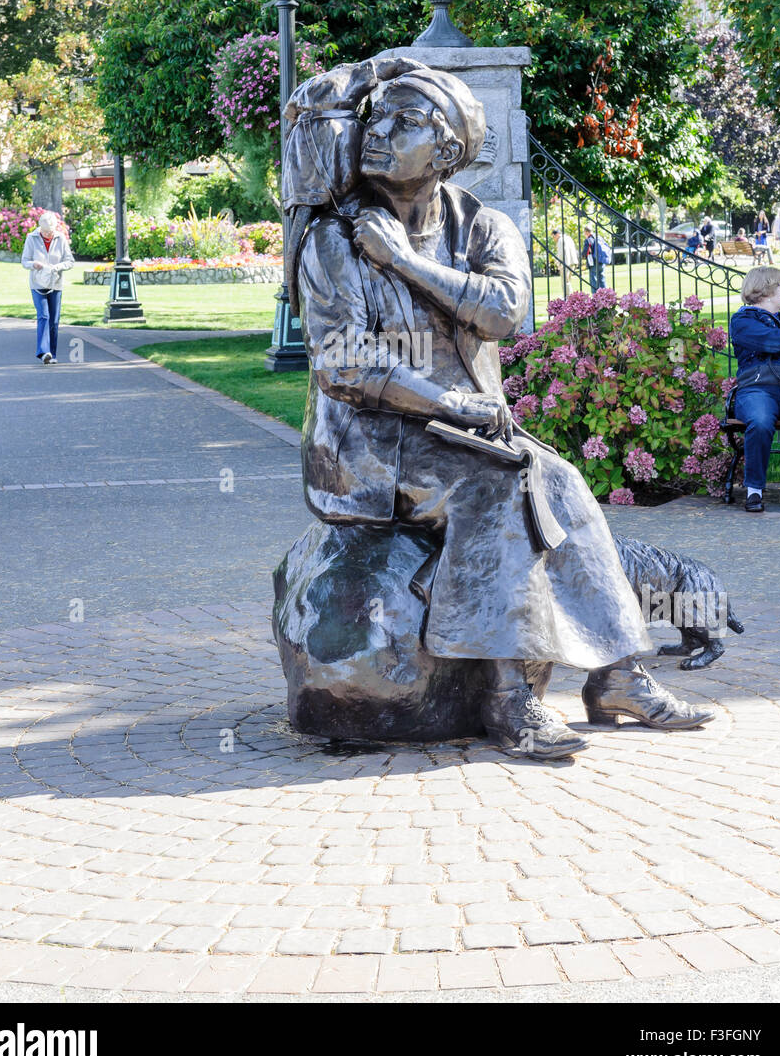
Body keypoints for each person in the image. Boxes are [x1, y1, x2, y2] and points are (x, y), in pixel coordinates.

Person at [288, 56, 712, 760]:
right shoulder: (334, 238)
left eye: (405, 121)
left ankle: (617, 674)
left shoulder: (481, 226)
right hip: (369, 442)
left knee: (564, 482)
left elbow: (503, 311)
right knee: (496, 487)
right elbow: (343, 361)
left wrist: (403, 262)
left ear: (447, 151)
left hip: (468, 428)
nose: (379, 132)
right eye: (376, 116)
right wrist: (443, 400)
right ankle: (509, 699)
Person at [729, 266, 780, 513]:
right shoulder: (742, 320)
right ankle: (754, 491)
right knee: (761, 420)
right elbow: (772, 341)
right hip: (756, 389)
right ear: (765, 290)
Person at [20, 210, 74, 363]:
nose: (48, 235)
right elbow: (24, 261)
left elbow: (70, 261)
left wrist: (57, 267)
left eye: (50, 232)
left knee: (54, 320)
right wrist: (33, 264)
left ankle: (52, 355)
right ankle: (44, 352)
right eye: (45, 232)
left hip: (55, 284)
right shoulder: (32, 238)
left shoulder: (61, 238)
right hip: (37, 284)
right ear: (40, 229)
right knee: (43, 316)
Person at [550, 226, 580, 296]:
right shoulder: (568, 238)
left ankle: (568, 297)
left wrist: (559, 264)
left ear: (556, 234)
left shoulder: (560, 240)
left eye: (553, 237)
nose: (554, 239)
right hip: (572, 262)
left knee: (565, 281)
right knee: (568, 280)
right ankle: (570, 296)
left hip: (566, 263)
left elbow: (561, 253)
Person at [581, 226, 609, 292]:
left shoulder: (589, 239)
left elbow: (585, 251)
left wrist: (582, 256)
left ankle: (595, 294)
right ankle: (605, 294)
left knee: (593, 279)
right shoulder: (599, 237)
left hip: (593, 262)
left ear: (586, 232)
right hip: (601, 260)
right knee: (602, 278)